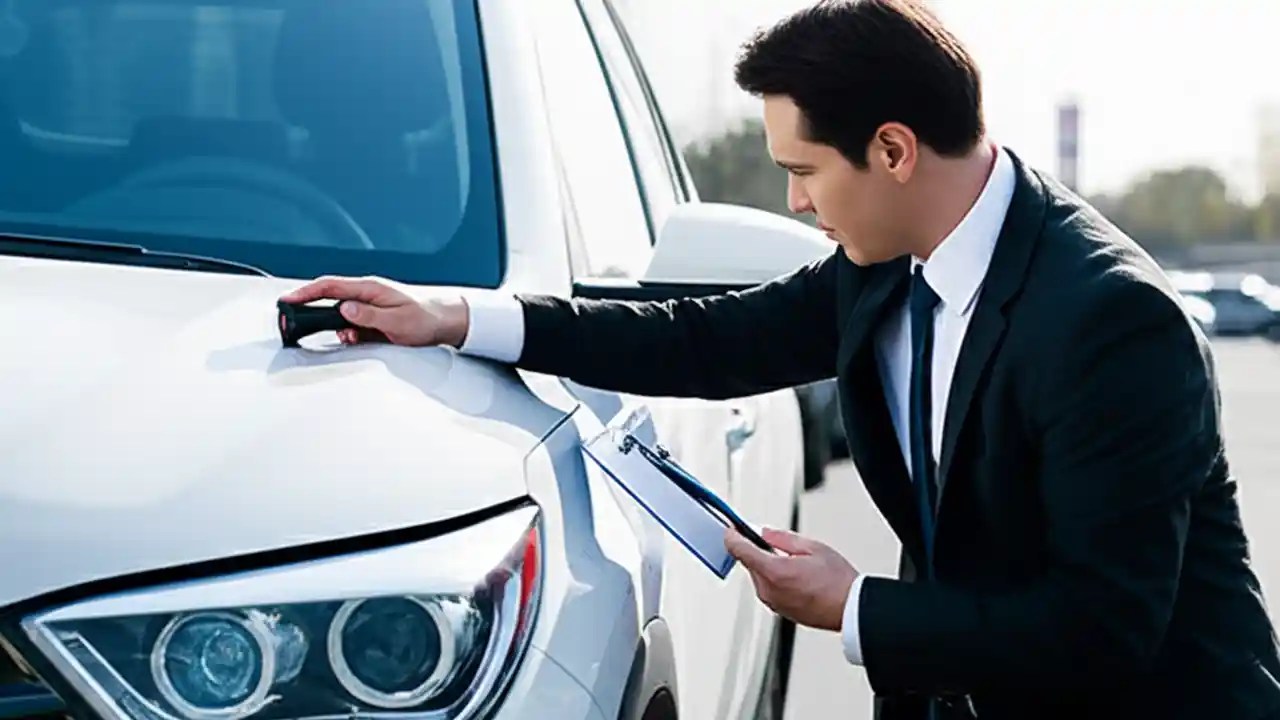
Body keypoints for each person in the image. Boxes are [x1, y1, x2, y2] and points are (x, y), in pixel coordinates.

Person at [281, 0, 1280, 717]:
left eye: (803, 171)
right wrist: (458, 317)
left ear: (892, 152)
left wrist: (854, 607)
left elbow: (1103, 631)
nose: (795, 203)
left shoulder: (1113, 323)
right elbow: (702, 338)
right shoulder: (884, 262)